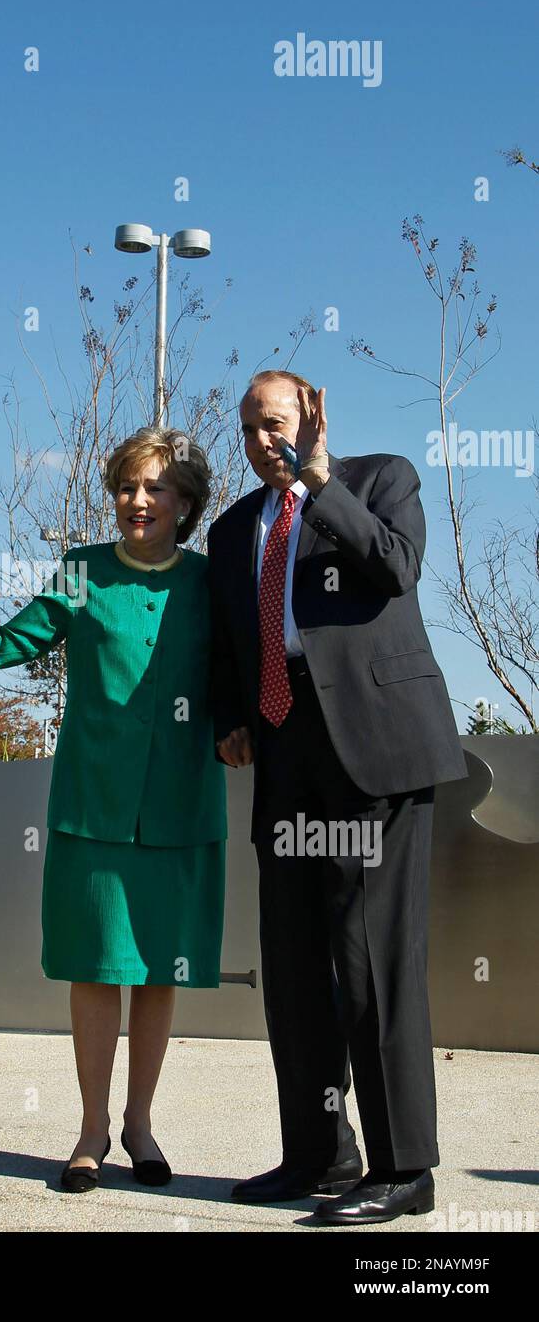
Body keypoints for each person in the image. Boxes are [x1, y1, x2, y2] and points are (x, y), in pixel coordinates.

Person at [0, 427, 226, 1191]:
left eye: (156, 488)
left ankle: (141, 1125)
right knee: (95, 971)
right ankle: (92, 1130)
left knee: (158, 973)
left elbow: (242, 679)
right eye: (127, 486)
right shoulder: (80, 573)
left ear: (185, 504)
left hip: (180, 810)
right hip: (92, 810)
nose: (138, 500)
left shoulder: (210, 583)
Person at [207, 370, 466, 1224]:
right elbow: (228, 641)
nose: (260, 442)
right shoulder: (232, 528)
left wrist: (321, 482)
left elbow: (397, 568)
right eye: (247, 429)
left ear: (312, 417)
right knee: (294, 966)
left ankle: (403, 1169)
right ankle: (319, 1154)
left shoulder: (380, 477)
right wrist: (228, 718)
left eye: (273, 423)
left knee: (370, 964)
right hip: (285, 757)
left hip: (374, 750)